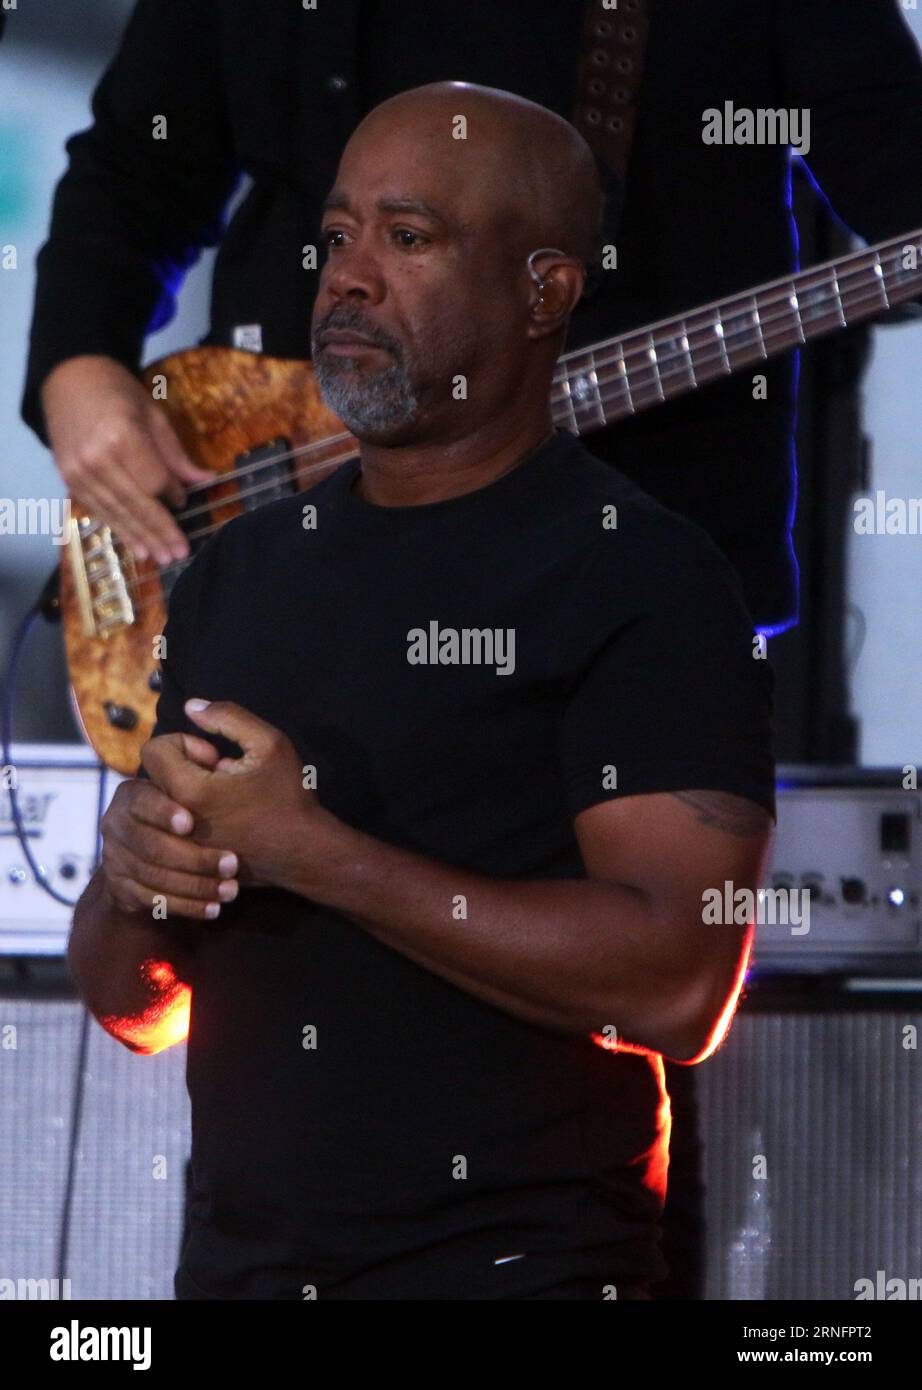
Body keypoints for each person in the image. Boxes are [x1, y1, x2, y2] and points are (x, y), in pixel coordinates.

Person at [68, 81, 776, 1301]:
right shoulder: (240, 570)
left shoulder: (639, 572)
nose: (346, 276)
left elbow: (677, 982)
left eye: (408, 238)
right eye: (337, 236)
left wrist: (312, 850)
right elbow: (136, 1006)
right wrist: (135, 876)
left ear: (544, 292)